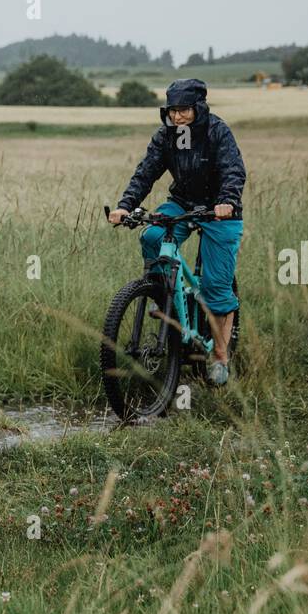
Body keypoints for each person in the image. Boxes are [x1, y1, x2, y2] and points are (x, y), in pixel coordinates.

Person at [108, 78, 246, 386]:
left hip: (218, 210)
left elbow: (233, 171)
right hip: (182, 203)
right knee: (152, 236)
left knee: (215, 289)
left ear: (198, 108)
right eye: (172, 111)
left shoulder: (217, 132)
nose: (178, 117)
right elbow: (146, 172)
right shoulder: (166, 136)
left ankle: (221, 358)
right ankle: (162, 294)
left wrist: (227, 200)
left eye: (184, 110)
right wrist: (125, 206)